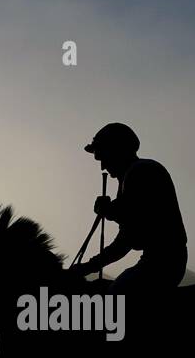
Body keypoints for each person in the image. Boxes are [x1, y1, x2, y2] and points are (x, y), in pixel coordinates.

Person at [71, 123, 188, 292]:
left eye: (103, 157)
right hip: (156, 260)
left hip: (164, 263)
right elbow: (125, 241)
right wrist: (88, 267)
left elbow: (134, 223)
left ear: (116, 151)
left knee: (113, 301)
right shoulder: (131, 176)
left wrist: (108, 210)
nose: (103, 166)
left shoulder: (142, 170)